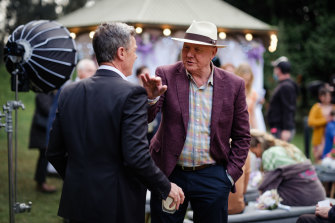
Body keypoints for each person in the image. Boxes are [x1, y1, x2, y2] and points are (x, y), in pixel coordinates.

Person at [46, 22, 184, 223]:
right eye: (134, 50)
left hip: (77, 201)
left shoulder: (69, 91)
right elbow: (136, 156)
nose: (136, 56)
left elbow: (54, 151)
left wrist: (78, 180)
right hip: (117, 204)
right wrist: (165, 186)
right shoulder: (132, 93)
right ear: (121, 52)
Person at [140, 20, 250, 223]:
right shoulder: (166, 74)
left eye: (197, 49)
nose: (189, 54)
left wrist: (228, 176)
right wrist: (151, 98)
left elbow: (243, 136)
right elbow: (146, 118)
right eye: (186, 47)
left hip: (213, 175)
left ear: (213, 52)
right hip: (170, 172)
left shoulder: (234, 85)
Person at [250, 130, 326, 206]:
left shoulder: (268, 153)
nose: (256, 157)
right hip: (318, 194)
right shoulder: (288, 147)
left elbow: (268, 187)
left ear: (259, 145)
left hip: (305, 198)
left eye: (254, 153)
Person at [29, 92, 56, 193]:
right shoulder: (42, 93)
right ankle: (41, 183)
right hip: (42, 130)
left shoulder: (48, 93)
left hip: (44, 129)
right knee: (44, 156)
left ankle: (40, 182)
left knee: (44, 156)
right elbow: (48, 109)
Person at [267, 56, 298, 142]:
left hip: (282, 129)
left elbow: (288, 108)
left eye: (275, 68)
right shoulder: (284, 84)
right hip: (278, 127)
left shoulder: (286, 86)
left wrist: (286, 129)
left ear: (279, 70)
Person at [308, 87, 334, 162]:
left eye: (328, 96)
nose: (327, 98)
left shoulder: (333, 107)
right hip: (319, 138)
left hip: (330, 138)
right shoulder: (317, 107)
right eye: (324, 96)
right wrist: (325, 120)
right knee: (318, 159)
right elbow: (311, 122)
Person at [235, 63, 258, 129]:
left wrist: (255, 129)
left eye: (248, 80)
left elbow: (253, 114)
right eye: (244, 79)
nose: (246, 82)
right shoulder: (233, 92)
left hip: (247, 127)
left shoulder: (253, 93)